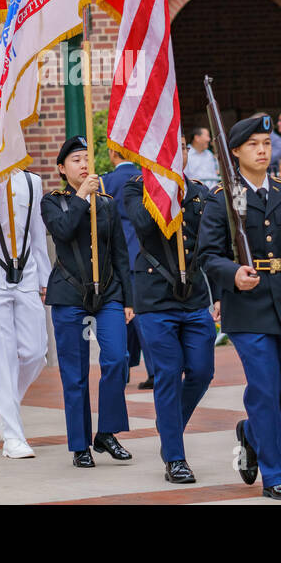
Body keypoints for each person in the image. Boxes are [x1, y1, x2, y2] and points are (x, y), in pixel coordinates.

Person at [195, 113, 281, 500]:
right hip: (247, 306)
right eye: (253, 145)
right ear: (235, 152)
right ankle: (277, 475)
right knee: (265, 390)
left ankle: (251, 432)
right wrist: (232, 274)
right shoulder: (223, 199)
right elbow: (208, 254)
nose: (263, 151)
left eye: (266, 144)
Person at [122, 143, 215, 484]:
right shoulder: (136, 187)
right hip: (155, 299)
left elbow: (212, 247)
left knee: (203, 371)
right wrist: (166, 188)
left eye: (182, 147)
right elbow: (144, 224)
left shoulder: (202, 193)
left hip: (194, 297)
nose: (177, 153)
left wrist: (219, 294)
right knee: (168, 374)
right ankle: (175, 457)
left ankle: (169, 422)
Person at [40, 136, 133, 468]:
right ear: (63, 169)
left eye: (86, 158)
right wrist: (81, 196)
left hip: (107, 293)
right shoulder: (53, 202)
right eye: (75, 160)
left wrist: (128, 299)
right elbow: (63, 232)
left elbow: (120, 252)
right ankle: (80, 444)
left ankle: (106, 431)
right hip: (70, 295)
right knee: (75, 373)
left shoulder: (107, 202)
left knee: (117, 359)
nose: (83, 164)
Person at [0, 168, 51, 459]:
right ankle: (13, 437)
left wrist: (44, 277)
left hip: (25, 272)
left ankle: (4, 400)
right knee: (3, 357)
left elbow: (37, 231)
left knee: (35, 352)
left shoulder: (33, 181)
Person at [103, 148, 149, 389]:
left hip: (119, 254)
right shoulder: (144, 178)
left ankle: (129, 368)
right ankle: (144, 367)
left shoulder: (107, 181)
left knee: (128, 314)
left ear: (113, 154)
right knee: (138, 311)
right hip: (144, 250)